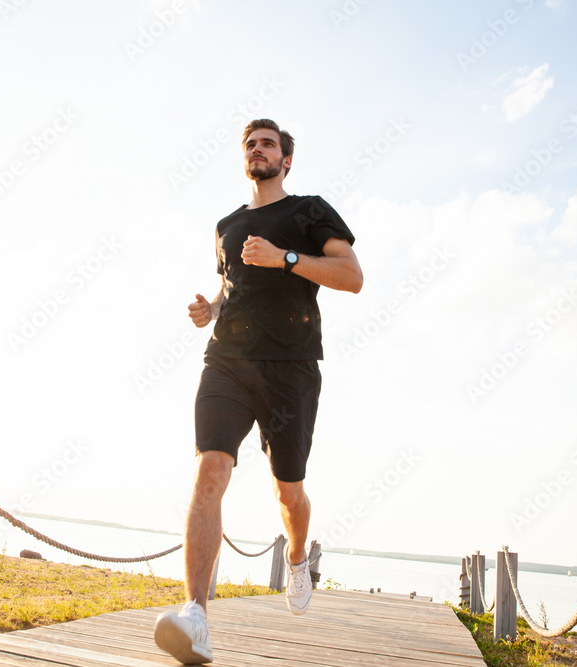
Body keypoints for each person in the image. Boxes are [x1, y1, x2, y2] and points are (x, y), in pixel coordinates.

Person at [153, 119, 363, 664]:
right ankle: (196, 615)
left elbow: (352, 276)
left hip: (291, 367)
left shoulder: (309, 211)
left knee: (288, 492)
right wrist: (211, 308)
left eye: (268, 144)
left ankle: (297, 556)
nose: (258, 149)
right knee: (210, 471)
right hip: (227, 361)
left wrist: (286, 258)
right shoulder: (227, 225)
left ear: (285, 160)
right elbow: (230, 285)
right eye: (250, 144)